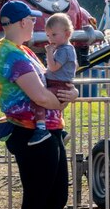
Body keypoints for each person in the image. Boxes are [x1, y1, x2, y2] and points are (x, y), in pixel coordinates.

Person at [0, 0, 77, 209]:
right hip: (29, 134)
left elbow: (51, 86)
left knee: (56, 198)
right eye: (30, 19)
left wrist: (68, 94)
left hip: (48, 131)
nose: (35, 23)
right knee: (37, 199)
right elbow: (40, 95)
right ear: (20, 23)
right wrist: (65, 98)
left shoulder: (24, 50)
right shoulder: (10, 53)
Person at [32, 14, 77, 146]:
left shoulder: (64, 50)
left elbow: (53, 67)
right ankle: (60, 132)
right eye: (48, 36)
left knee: (39, 100)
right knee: (52, 109)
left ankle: (41, 129)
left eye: (54, 35)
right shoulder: (65, 49)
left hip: (59, 85)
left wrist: (49, 53)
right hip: (58, 83)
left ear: (67, 34)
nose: (50, 39)